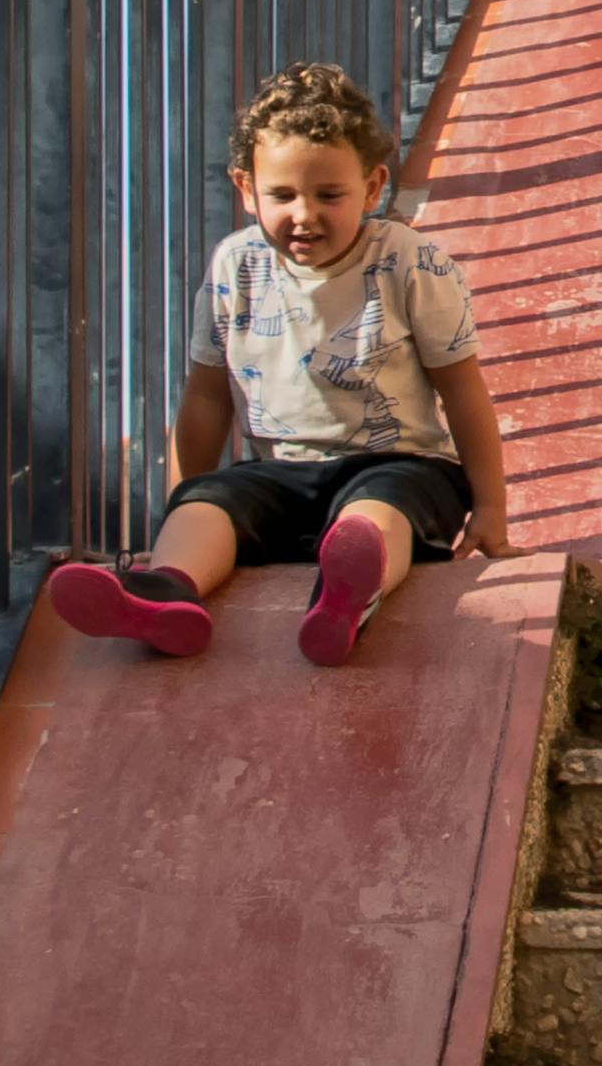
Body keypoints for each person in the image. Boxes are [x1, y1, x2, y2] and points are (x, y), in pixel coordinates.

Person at [50, 59, 509, 670]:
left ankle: (347, 592)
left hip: (403, 465)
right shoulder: (235, 266)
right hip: (281, 473)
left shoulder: (408, 262)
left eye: (329, 195)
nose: (303, 214)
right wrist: (179, 506)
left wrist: (491, 510)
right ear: (246, 189)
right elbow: (208, 396)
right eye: (282, 195)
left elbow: (462, 391)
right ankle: (165, 592)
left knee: (380, 508)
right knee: (214, 500)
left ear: (372, 189)